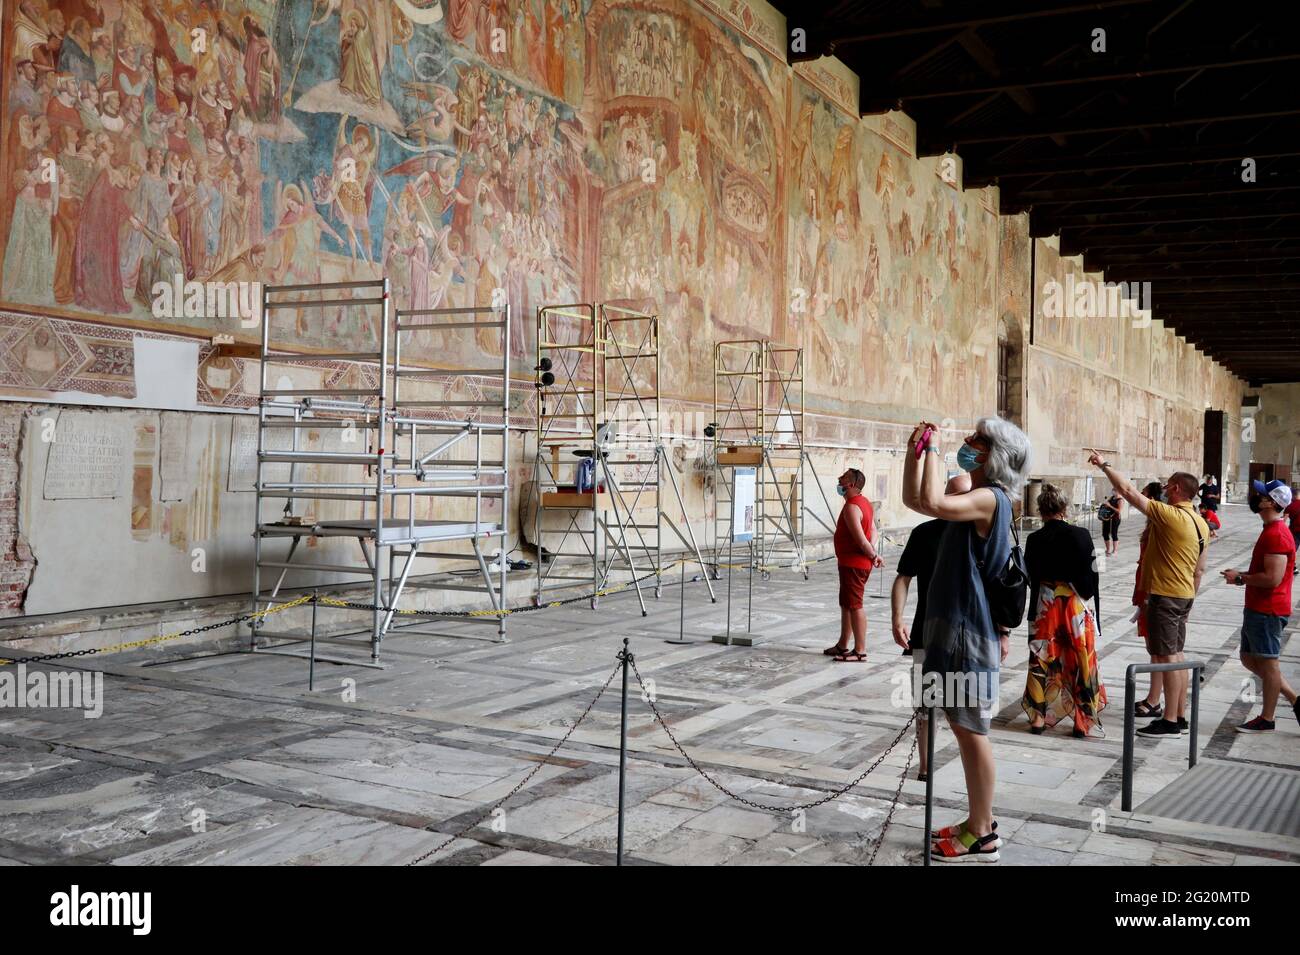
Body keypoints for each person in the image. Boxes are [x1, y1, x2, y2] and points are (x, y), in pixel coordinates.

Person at [905, 416, 1031, 863]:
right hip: (952, 631)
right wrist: (915, 450)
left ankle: (982, 832)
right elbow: (918, 499)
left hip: (967, 635)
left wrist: (934, 449)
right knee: (963, 728)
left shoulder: (990, 500)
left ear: (994, 454)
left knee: (971, 730)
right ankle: (979, 821)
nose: (968, 442)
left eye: (978, 439)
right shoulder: (976, 497)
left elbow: (935, 498)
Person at [1089, 453, 1209, 738]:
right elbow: (1199, 569)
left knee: (1166, 658)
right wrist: (1188, 601)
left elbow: (1129, 492)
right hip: (1182, 596)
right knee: (1176, 656)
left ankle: (1168, 721)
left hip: (1165, 596)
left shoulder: (1170, 515)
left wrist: (1104, 465)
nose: (1164, 490)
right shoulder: (1200, 522)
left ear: (1178, 488)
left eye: (1168, 486)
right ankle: (1178, 715)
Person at [892, 472, 972, 781]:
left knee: (962, 708)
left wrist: (1002, 632)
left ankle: (966, 773)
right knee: (926, 704)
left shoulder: (978, 533)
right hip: (927, 630)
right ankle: (925, 767)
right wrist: (897, 618)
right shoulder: (926, 532)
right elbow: (903, 577)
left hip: (967, 633)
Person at [1021, 483, 1105, 738]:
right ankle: (1081, 720)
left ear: (1040, 510)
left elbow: (1030, 574)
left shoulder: (1034, 539)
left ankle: (1037, 718)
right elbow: (1092, 576)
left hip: (1045, 604)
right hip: (1073, 605)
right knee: (1081, 658)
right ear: (1065, 508)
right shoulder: (1081, 535)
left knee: (1041, 658)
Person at [1222, 480, 1299, 732]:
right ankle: (1295, 700)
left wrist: (1242, 578)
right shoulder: (1270, 529)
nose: (1256, 497)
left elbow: (1272, 578)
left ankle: (1267, 718)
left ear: (1271, 503)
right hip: (1258, 607)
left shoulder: (1277, 534)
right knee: (1248, 657)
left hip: (1269, 609)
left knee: (1268, 663)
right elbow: (1264, 572)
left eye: (1261, 495)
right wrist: (1240, 575)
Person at [825, 468, 884, 663]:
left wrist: (873, 554)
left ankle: (860, 651)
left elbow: (860, 539)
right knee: (847, 604)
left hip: (854, 564)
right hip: (852, 562)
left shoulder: (852, 507)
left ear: (850, 485)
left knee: (855, 605)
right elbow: (873, 530)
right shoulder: (864, 502)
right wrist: (872, 550)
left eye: (843, 477)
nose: (839, 479)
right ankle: (843, 644)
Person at [1132, 481, 1168, 719]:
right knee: (1153, 647)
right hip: (1147, 590)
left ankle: (1155, 701)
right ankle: (1153, 698)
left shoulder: (1161, 524)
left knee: (1159, 649)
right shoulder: (1154, 524)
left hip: (1155, 591)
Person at [1098, 490, 1123, 555]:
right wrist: (1105, 505)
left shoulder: (1120, 500)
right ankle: (1108, 550)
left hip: (1115, 519)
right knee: (1105, 533)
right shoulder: (1112, 498)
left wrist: (1110, 506)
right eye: (1113, 490)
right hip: (1107, 518)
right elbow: (1107, 505)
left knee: (1113, 534)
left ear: (1118, 491)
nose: (1113, 491)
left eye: (1115, 490)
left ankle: (1115, 551)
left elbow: (1119, 511)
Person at [1284, 493, 1300, 576]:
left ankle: (1293, 567)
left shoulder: (1290, 506)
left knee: (1293, 549)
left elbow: (1284, 520)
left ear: (1293, 496)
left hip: (1294, 531)